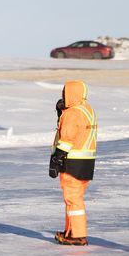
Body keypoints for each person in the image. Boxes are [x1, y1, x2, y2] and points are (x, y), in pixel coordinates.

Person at [48, 80, 97, 246]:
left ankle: (76, 235)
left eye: (65, 92)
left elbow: (67, 137)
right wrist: (62, 112)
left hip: (72, 161)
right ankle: (70, 231)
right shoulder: (87, 110)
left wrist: (57, 158)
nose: (63, 95)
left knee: (73, 198)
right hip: (86, 161)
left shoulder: (72, 113)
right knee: (74, 198)